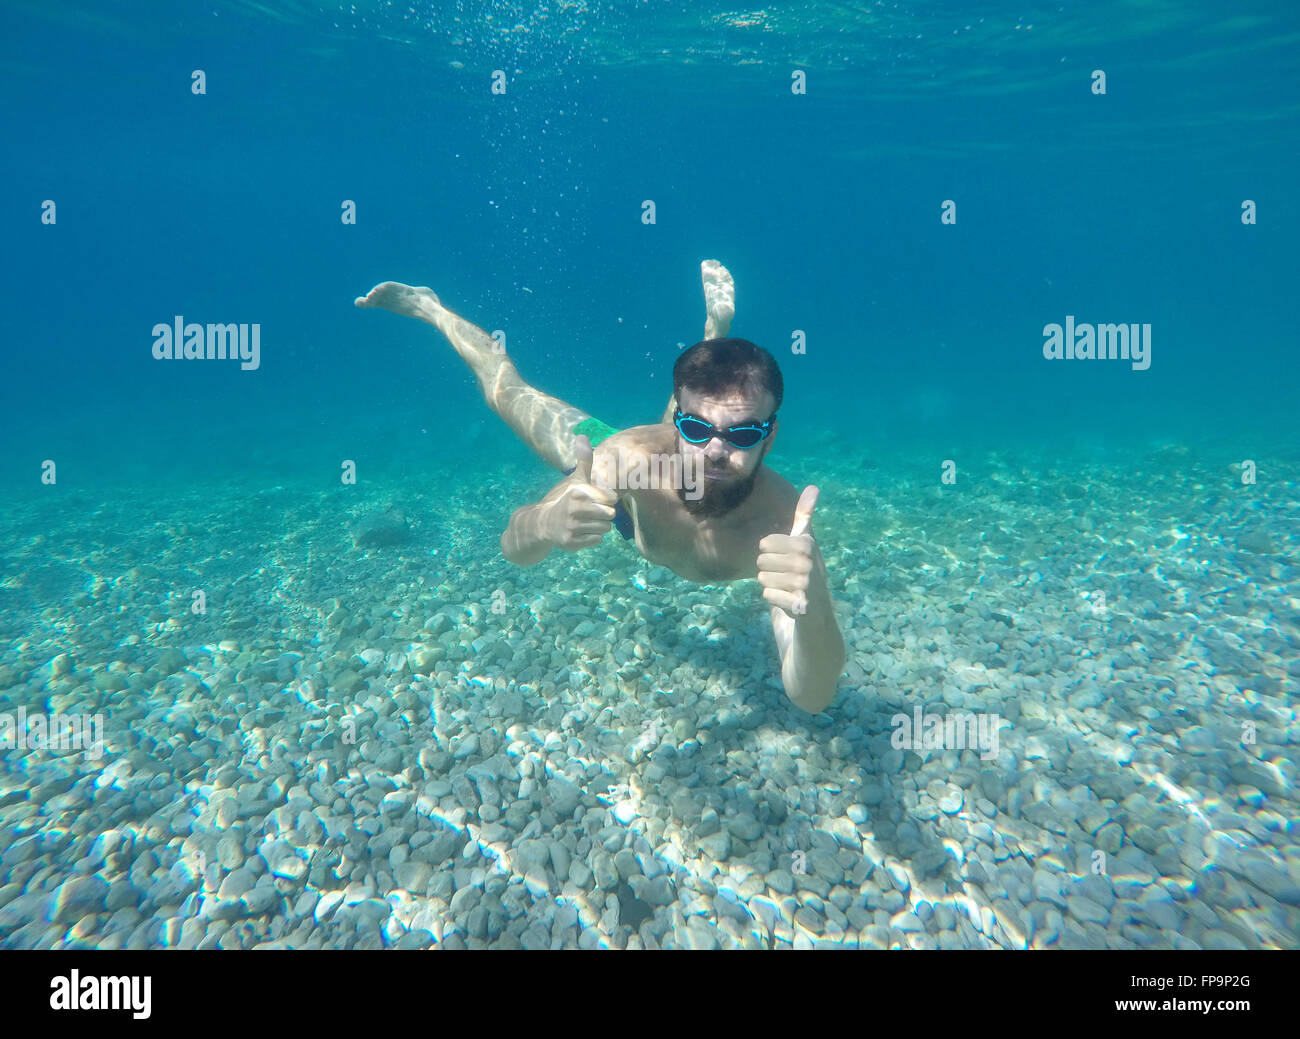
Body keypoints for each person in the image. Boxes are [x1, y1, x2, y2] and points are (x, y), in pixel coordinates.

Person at [356, 261, 844, 713]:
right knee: (507, 395)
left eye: (742, 433)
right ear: (678, 421)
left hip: (659, 469)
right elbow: (514, 546)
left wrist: (815, 602)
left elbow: (811, 696)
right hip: (633, 496)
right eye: (697, 428)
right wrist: (547, 523)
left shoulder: (781, 529)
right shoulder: (619, 459)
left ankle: (713, 339)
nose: (718, 451)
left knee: (683, 459)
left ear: (771, 435)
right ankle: (431, 306)